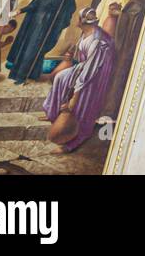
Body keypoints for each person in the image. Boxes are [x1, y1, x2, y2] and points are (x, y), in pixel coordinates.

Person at [42, 8, 115, 153]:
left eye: (79, 18)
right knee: (60, 77)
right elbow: (84, 59)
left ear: (83, 21)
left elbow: (90, 70)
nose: (77, 21)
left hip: (95, 76)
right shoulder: (86, 33)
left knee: (82, 103)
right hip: (86, 67)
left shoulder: (97, 41)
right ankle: (53, 112)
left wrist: (75, 96)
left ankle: (71, 144)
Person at [6, 0, 75, 84]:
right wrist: (21, 10)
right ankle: (28, 74)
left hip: (46, 24)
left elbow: (68, 5)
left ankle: (22, 76)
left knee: (33, 49)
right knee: (26, 47)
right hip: (35, 22)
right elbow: (35, 4)